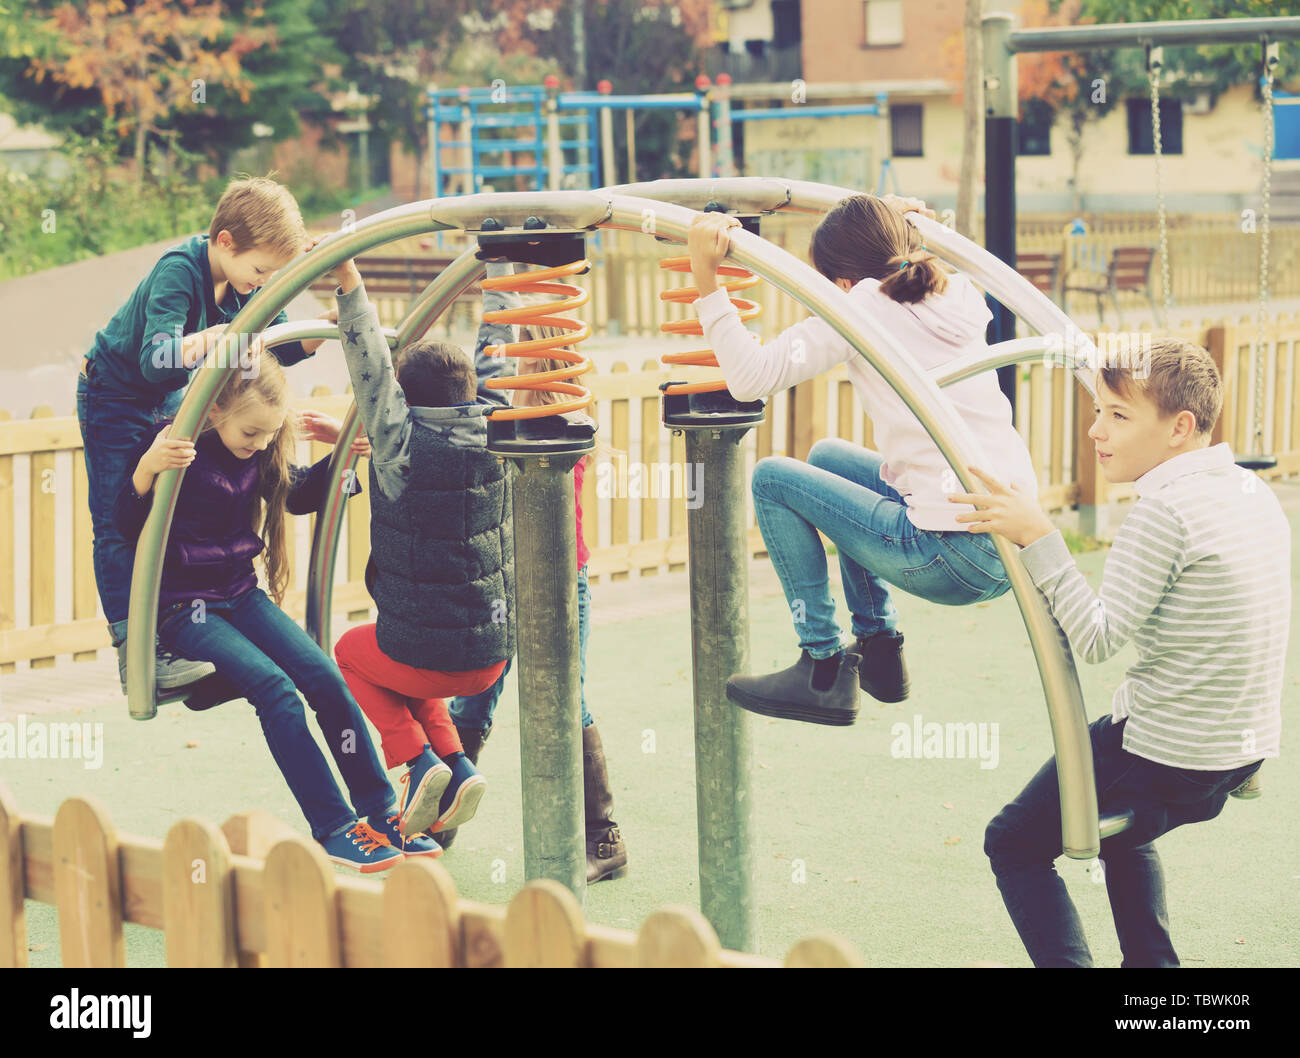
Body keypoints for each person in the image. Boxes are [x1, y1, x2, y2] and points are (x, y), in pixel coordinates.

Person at [950, 338, 1287, 967]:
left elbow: (1098, 638)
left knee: (1014, 843)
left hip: (1170, 757)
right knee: (1125, 830)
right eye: (1099, 410)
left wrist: (1039, 535)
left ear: (1179, 429)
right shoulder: (1248, 490)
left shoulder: (1165, 510)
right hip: (1241, 753)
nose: (1095, 429)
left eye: (1119, 415)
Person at [687, 195, 1037, 726]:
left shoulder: (858, 311)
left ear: (843, 284)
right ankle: (879, 648)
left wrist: (707, 280)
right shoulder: (955, 292)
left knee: (772, 479)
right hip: (1011, 543)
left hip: (949, 556)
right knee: (827, 458)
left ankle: (822, 667)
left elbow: (750, 378)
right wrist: (900, 227)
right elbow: (898, 267)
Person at [114, 354, 430, 871]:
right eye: (252, 431)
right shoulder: (175, 446)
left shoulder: (258, 450)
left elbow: (299, 494)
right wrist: (148, 469)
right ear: (216, 408)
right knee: (275, 690)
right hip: (183, 608)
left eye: (270, 433)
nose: (260, 443)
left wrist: (345, 460)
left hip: (240, 592)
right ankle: (334, 825)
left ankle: (379, 811)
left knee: (325, 677)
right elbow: (126, 529)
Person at [79, 175, 334, 694]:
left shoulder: (246, 282)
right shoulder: (179, 271)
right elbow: (156, 360)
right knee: (115, 516)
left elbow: (273, 346)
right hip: (114, 394)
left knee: (160, 498)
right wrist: (203, 341)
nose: (261, 282)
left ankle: (177, 637)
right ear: (225, 243)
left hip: (167, 396)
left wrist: (325, 327)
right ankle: (138, 653)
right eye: (260, 270)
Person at [324, 248, 515, 845]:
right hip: (491, 657)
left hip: (425, 655)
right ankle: (455, 765)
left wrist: (348, 279)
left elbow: (370, 369)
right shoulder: (500, 428)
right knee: (413, 663)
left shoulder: (401, 446)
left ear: (407, 404)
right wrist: (504, 273)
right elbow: (501, 350)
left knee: (352, 651)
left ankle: (415, 761)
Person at [445, 282, 627, 883]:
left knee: (565, 697)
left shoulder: (563, 421)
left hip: (557, 582)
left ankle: (602, 838)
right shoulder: (497, 418)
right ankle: (443, 814)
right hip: (501, 581)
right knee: (474, 690)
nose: (498, 370)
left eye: (512, 358)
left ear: (545, 362)